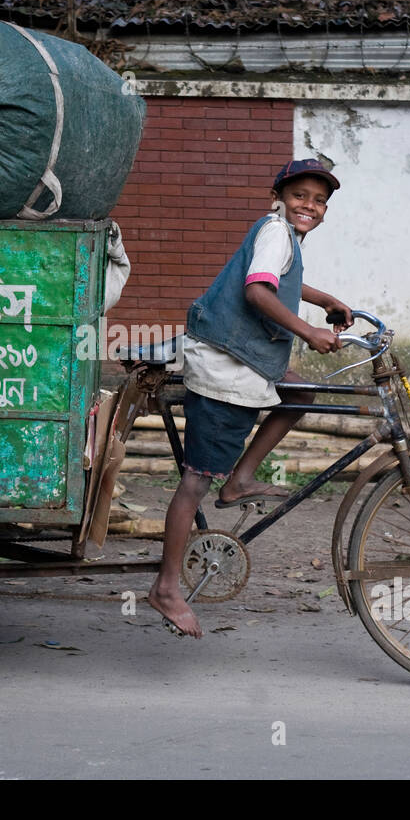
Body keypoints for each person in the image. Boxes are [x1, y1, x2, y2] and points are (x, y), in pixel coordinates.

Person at [147, 159, 354, 638]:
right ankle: (166, 587)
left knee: (300, 391)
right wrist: (310, 332)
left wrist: (323, 300)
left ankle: (239, 480)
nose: (310, 206)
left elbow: (280, 280)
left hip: (243, 355)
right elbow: (259, 290)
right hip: (225, 361)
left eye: (319, 200)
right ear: (279, 197)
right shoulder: (276, 231)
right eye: (301, 195)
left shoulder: (284, 235)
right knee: (194, 484)